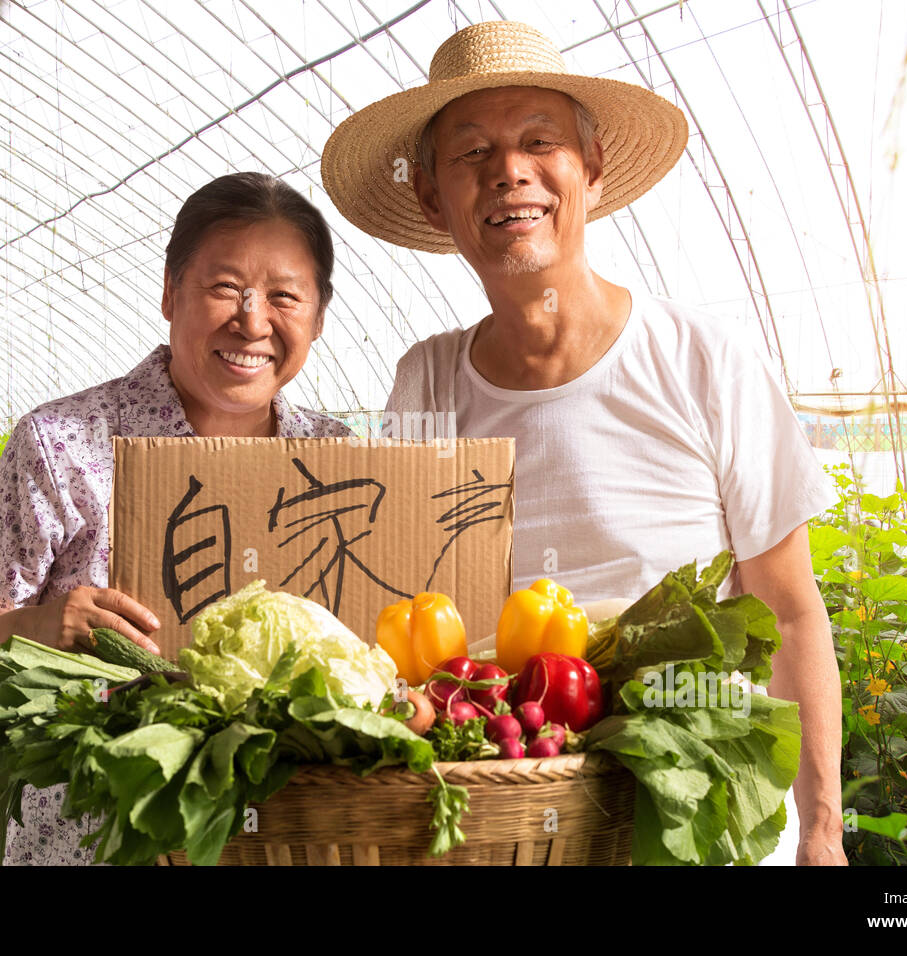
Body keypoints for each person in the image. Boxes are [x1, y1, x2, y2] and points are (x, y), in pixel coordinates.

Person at [320, 21, 845, 866]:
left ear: (590, 172)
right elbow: (401, 608)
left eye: (540, 142)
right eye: (472, 153)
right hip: (511, 819)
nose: (509, 171)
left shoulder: (706, 361)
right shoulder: (426, 382)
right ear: (430, 198)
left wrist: (823, 833)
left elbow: (788, 609)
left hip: (701, 810)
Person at [0, 171, 351, 864]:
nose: (252, 320)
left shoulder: (336, 459)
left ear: (317, 318)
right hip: (92, 836)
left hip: (279, 837)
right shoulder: (62, 443)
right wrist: (37, 626)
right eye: (224, 288)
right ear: (169, 293)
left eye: (284, 296)